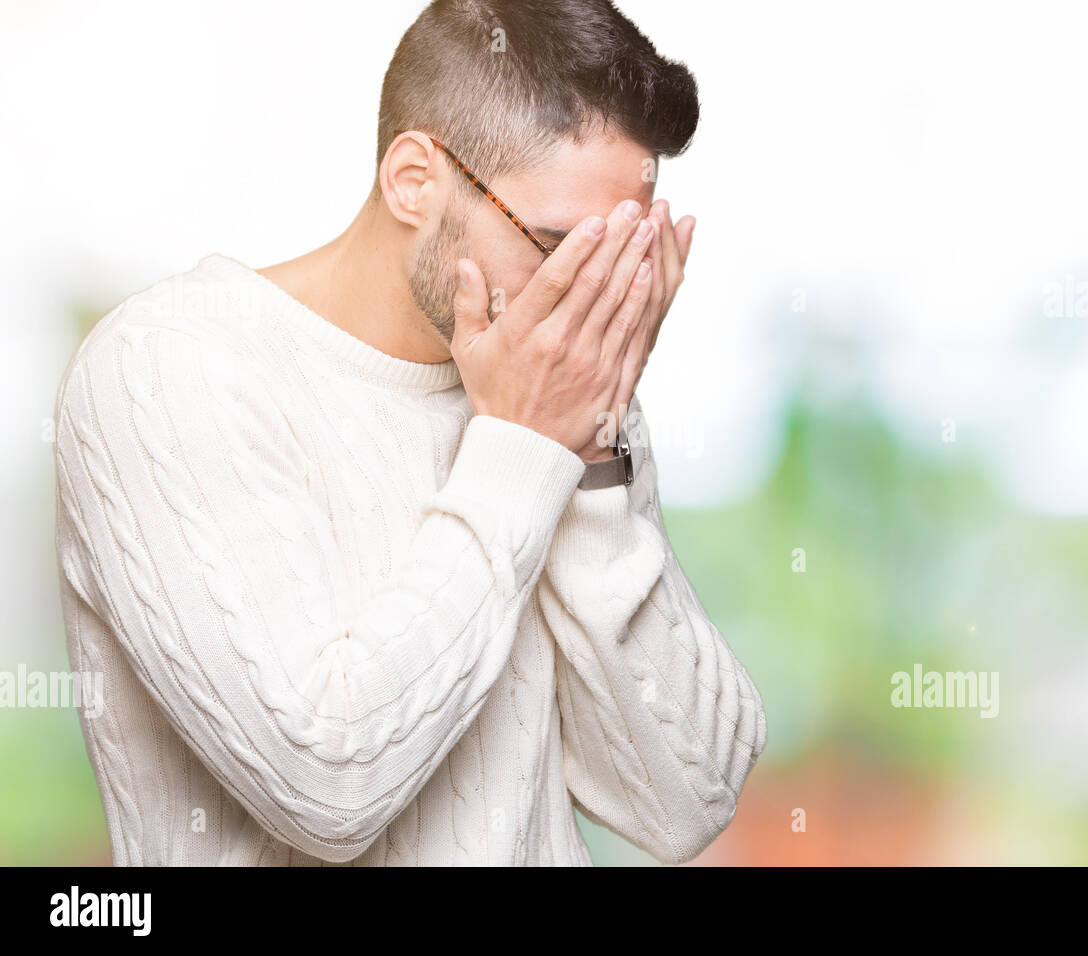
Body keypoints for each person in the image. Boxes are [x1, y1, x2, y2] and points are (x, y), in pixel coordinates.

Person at [51, 0, 767, 866]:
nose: (586, 301)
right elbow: (325, 786)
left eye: (619, 258)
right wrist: (522, 450)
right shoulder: (166, 368)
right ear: (413, 179)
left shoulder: (565, 394)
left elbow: (682, 803)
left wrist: (589, 459)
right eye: (555, 246)